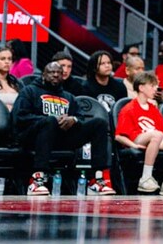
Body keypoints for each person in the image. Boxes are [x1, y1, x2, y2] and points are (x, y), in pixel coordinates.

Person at [13, 60, 116, 196]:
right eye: (51, 72)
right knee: (50, 121)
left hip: (61, 138)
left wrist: (73, 120)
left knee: (100, 123)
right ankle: (37, 179)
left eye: (59, 73)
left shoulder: (68, 97)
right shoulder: (29, 91)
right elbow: (20, 117)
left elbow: (81, 118)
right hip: (32, 137)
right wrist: (49, 120)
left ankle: (97, 179)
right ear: (43, 74)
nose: (55, 75)